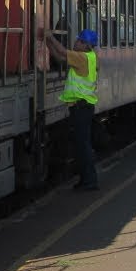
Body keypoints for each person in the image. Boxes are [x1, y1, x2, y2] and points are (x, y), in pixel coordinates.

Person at [46, 27, 99, 190]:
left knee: (82, 145)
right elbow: (61, 59)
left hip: (81, 106)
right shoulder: (89, 57)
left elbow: (62, 52)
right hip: (83, 106)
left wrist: (50, 37)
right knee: (82, 144)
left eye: (79, 40)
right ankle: (86, 180)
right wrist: (48, 44)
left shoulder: (82, 58)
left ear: (85, 44)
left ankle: (89, 181)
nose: (75, 42)